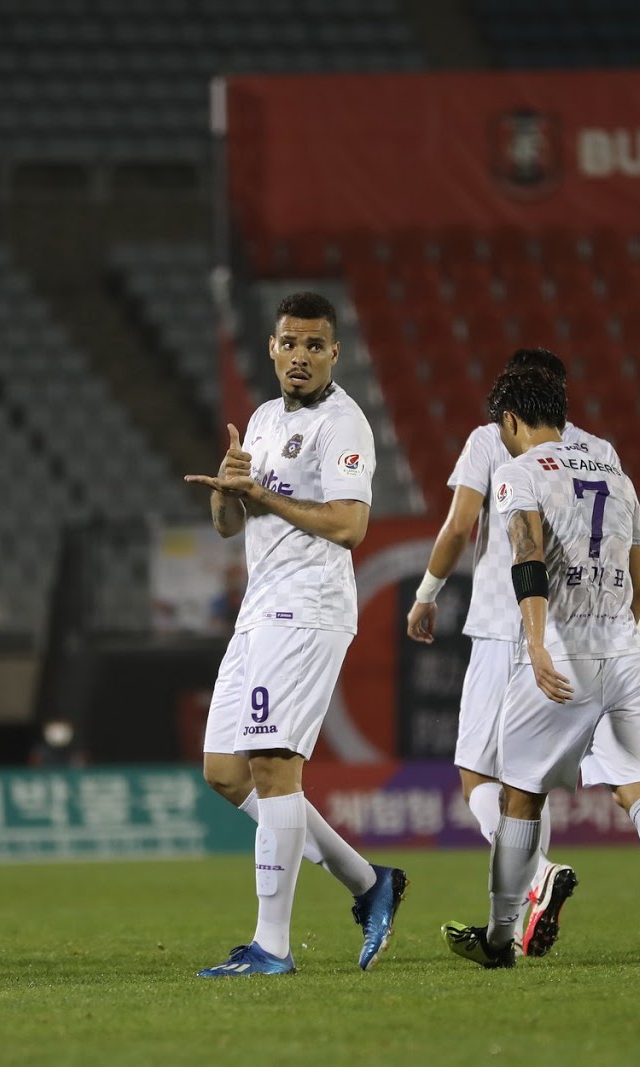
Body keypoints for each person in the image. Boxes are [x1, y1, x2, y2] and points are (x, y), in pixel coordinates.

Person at [441, 367, 640, 969]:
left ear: (510, 420)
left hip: (565, 651)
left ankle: (501, 937)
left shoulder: (518, 472)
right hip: (626, 650)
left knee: (520, 796)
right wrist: (624, 632)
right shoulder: (616, 472)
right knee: (639, 785)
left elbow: (527, 561)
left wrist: (535, 644)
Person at [185, 291, 406, 977]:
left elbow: (349, 525)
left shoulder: (345, 425)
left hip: (307, 610)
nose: (301, 356)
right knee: (225, 771)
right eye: (290, 343)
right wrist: (228, 490)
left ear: (335, 353)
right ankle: (370, 883)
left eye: (316, 345)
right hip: (260, 610)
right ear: (274, 348)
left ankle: (272, 946)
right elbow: (231, 524)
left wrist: (266, 497)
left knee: (276, 769)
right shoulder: (260, 418)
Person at [406, 347, 616, 957]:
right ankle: (527, 909)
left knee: (478, 772)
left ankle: (540, 872)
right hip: (576, 635)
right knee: (530, 780)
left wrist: (426, 594)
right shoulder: (595, 449)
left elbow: (458, 524)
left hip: (506, 625)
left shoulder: (491, 441)